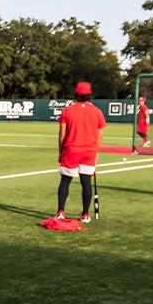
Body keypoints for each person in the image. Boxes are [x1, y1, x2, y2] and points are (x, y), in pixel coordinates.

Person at [55, 81, 106, 223]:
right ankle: (85, 214)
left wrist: (61, 152)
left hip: (71, 150)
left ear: (76, 94)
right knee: (86, 183)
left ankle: (60, 212)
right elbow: (99, 135)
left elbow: (62, 135)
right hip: (89, 151)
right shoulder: (97, 112)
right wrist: (96, 152)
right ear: (90, 95)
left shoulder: (67, 111)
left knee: (65, 181)